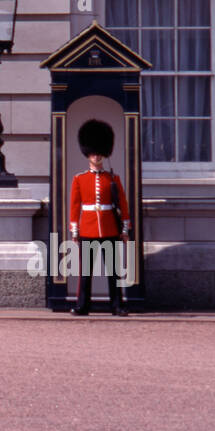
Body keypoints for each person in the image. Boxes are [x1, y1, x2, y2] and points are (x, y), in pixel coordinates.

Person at [69, 118, 131, 317]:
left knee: (113, 271)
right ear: (87, 153)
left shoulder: (113, 179)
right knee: (86, 272)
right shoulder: (79, 179)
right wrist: (75, 230)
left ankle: (116, 305)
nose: (96, 156)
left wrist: (124, 229)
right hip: (87, 228)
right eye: (93, 152)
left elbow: (123, 204)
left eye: (99, 152)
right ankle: (82, 305)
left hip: (110, 227)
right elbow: (75, 206)